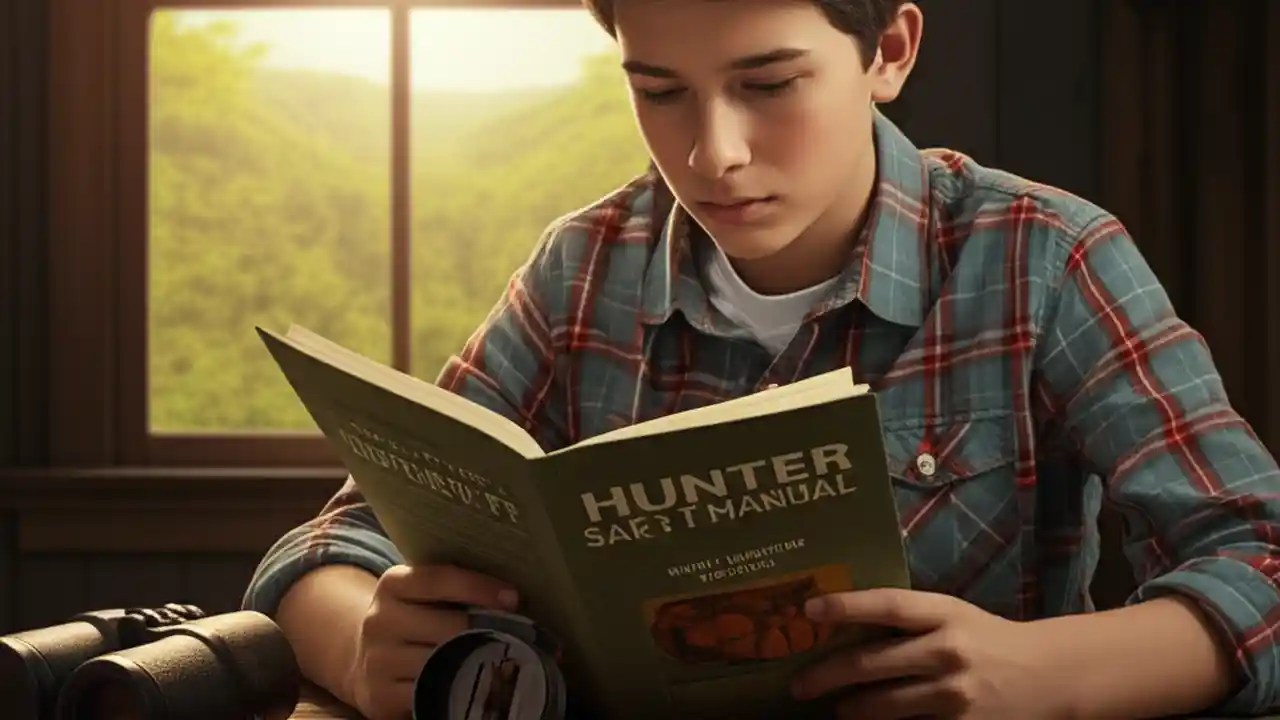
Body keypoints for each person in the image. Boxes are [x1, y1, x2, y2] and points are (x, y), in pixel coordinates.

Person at [241, 1, 1280, 718]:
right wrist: (361, 639)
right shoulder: (582, 268)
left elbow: (1260, 561)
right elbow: (324, 550)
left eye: (767, 84)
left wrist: (1048, 675)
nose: (712, 155)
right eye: (659, 92)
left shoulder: (1040, 257)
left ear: (888, 50)